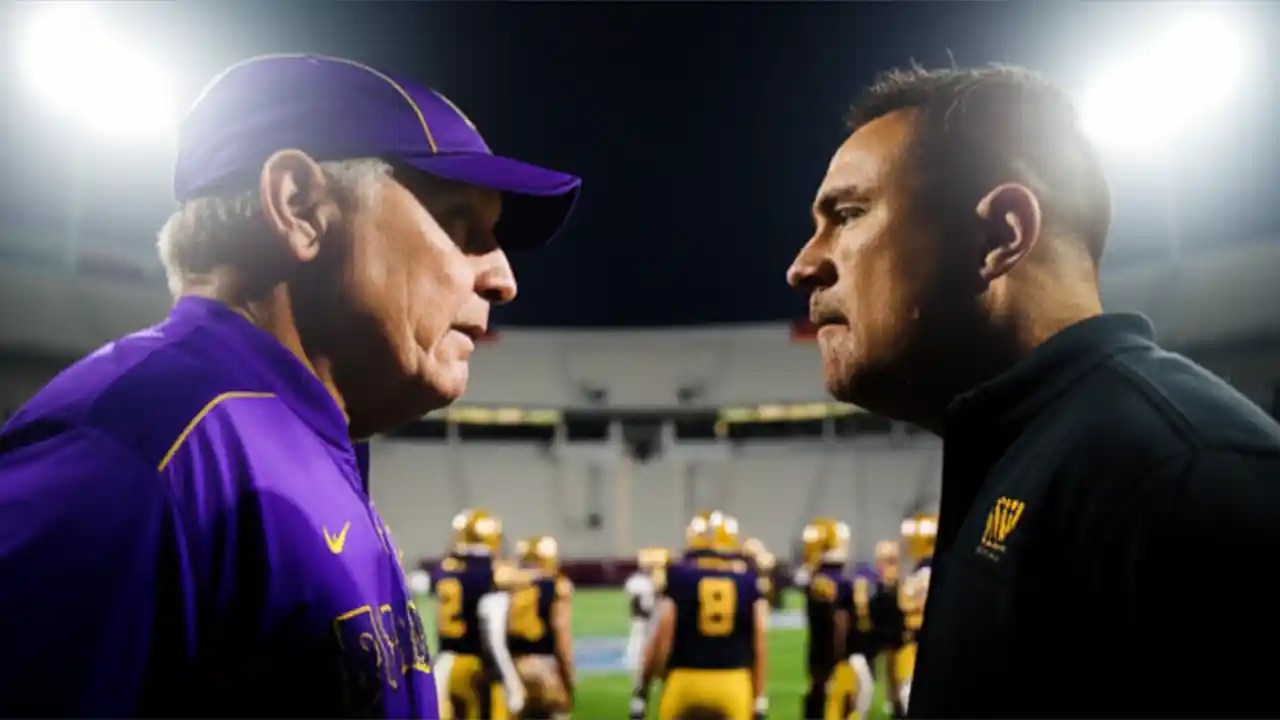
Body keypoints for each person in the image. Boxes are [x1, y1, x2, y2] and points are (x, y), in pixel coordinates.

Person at [0, 53, 580, 717]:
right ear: (300, 208)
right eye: (459, 225)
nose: (503, 278)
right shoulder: (137, 452)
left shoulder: (293, 435)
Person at [787, 63, 1280, 717]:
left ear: (999, 236)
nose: (803, 265)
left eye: (847, 215)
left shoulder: (1191, 473)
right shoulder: (1029, 449)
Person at [633, 511, 769, 720]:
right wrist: (759, 698)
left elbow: (662, 637)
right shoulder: (748, 580)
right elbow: (759, 641)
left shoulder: (677, 575)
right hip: (733, 683)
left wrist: (643, 689)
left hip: (685, 681)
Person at [432, 509, 527, 720]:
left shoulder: (443, 570)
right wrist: (511, 681)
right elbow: (493, 636)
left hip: (444, 664)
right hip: (476, 664)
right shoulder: (492, 574)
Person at [508, 535, 575, 719]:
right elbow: (562, 635)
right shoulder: (557, 586)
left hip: (512, 669)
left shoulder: (508, 586)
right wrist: (568, 677)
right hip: (545, 667)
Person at [625, 546, 671, 669]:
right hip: (643, 619)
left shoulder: (655, 579)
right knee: (639, 644)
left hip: (651, 617)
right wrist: (652, 615)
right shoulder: (638, 581)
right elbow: (636, 606)